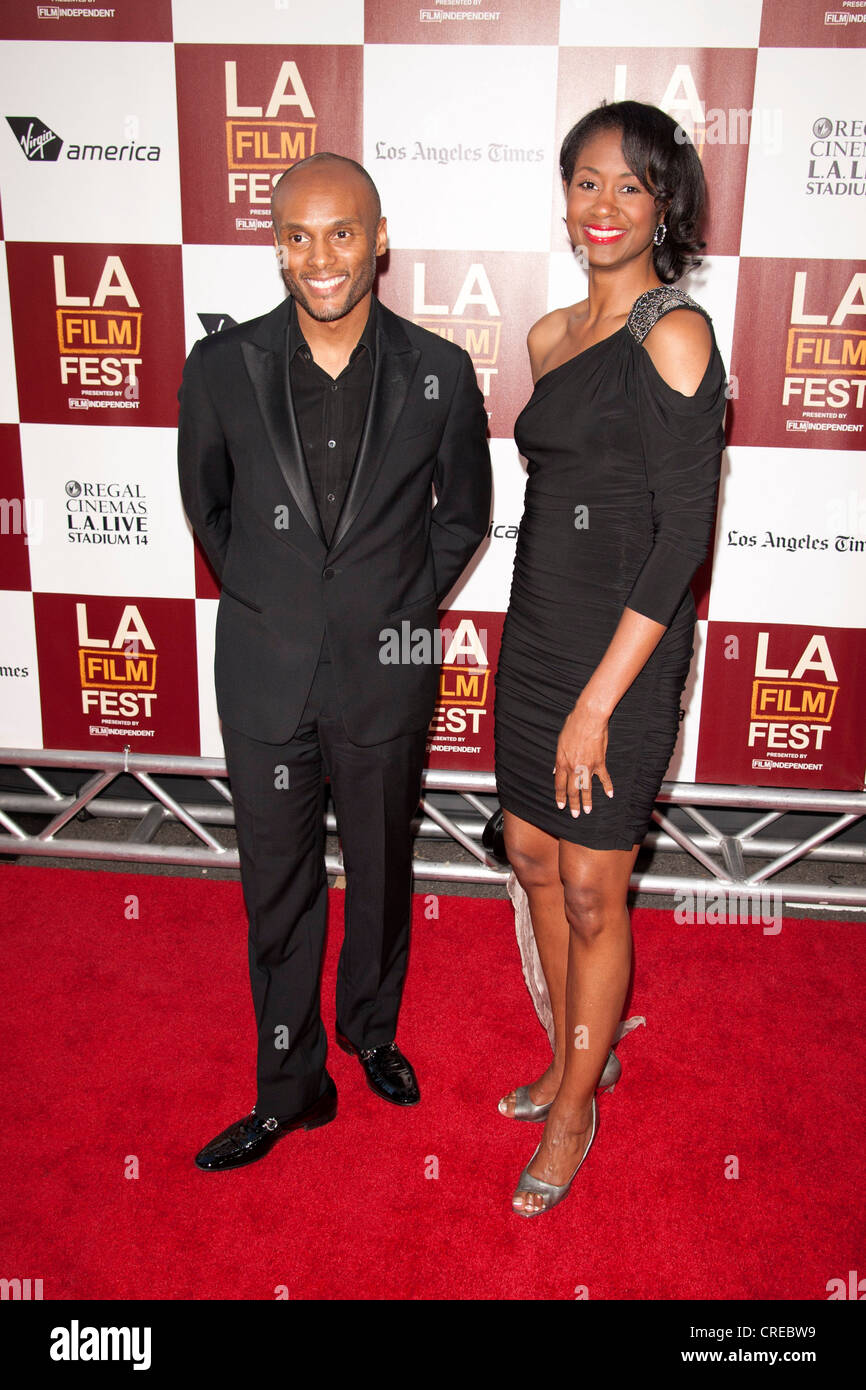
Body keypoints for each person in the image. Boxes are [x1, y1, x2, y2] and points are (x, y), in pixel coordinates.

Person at [178, 153, 491, 1172]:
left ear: (379, 239)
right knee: (275, 884)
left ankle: (370, 1030)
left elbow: (466, 515)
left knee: (382, 867)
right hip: (266, 671)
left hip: (384, 671)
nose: (321, 257)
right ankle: (288, 1083)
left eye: (342, 233)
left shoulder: (438, 373)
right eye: (298, 236)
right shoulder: (220, 369)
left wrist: (391, 605)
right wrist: (280, 602)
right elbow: (210, 510)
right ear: (276, 246)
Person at [494, 101, 727, 1215]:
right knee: (533, 858)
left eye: (628, 186)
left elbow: (681, 538)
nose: (602, 205)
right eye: (585, 181)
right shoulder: (545, 337)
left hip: (622, 656)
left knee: (592, 885)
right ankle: (571, 1052)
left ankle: (578, 1107)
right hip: (535, 629)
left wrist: (594, 703)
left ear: (662, 206)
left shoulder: (672, 334)